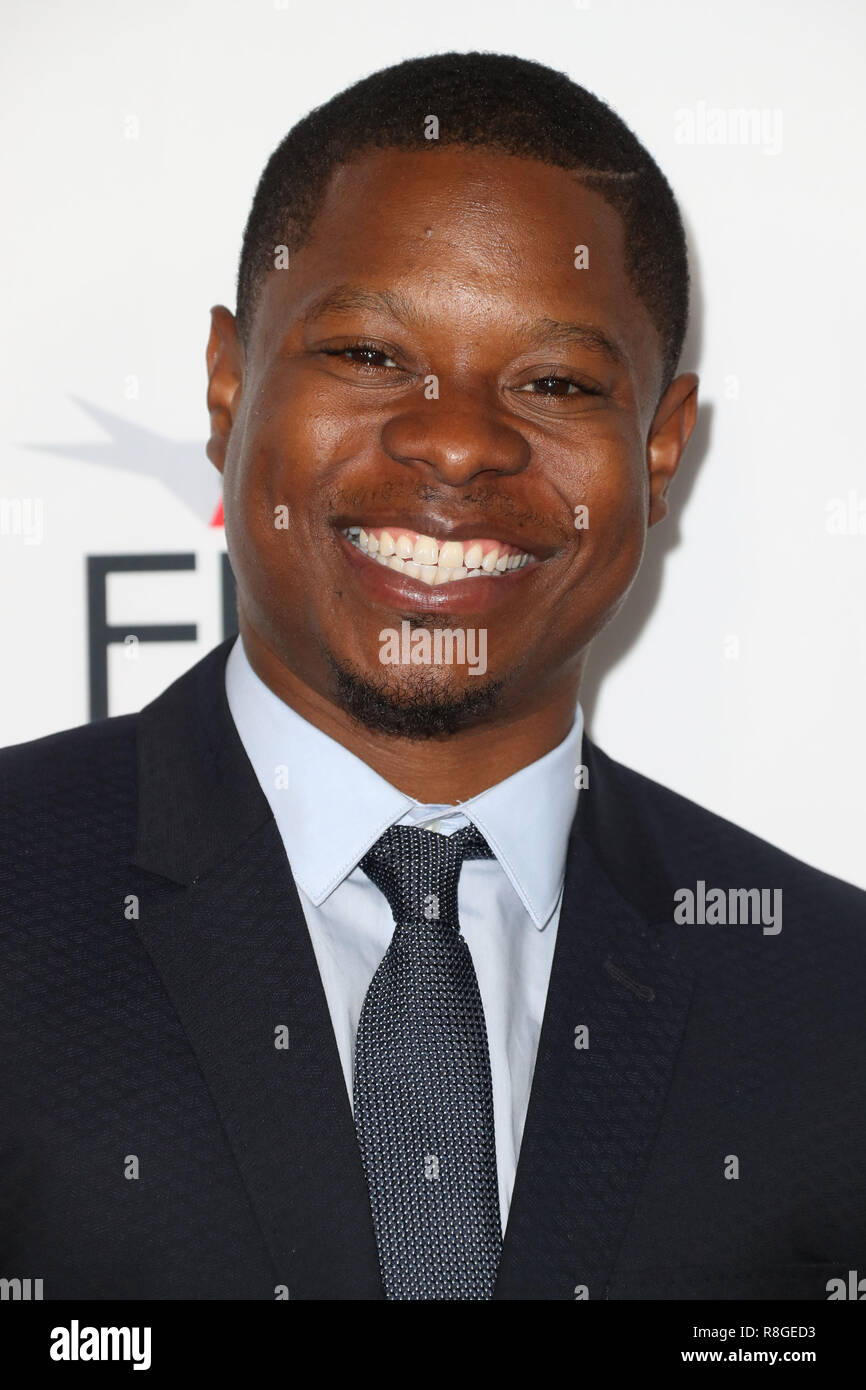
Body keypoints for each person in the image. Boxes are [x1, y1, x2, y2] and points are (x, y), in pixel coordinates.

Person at [1, 51, 863, 1302]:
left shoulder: (826, 997)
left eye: (555, 382)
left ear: (660, 447)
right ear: (228, 385)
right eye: (365, 354)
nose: (457, 438)